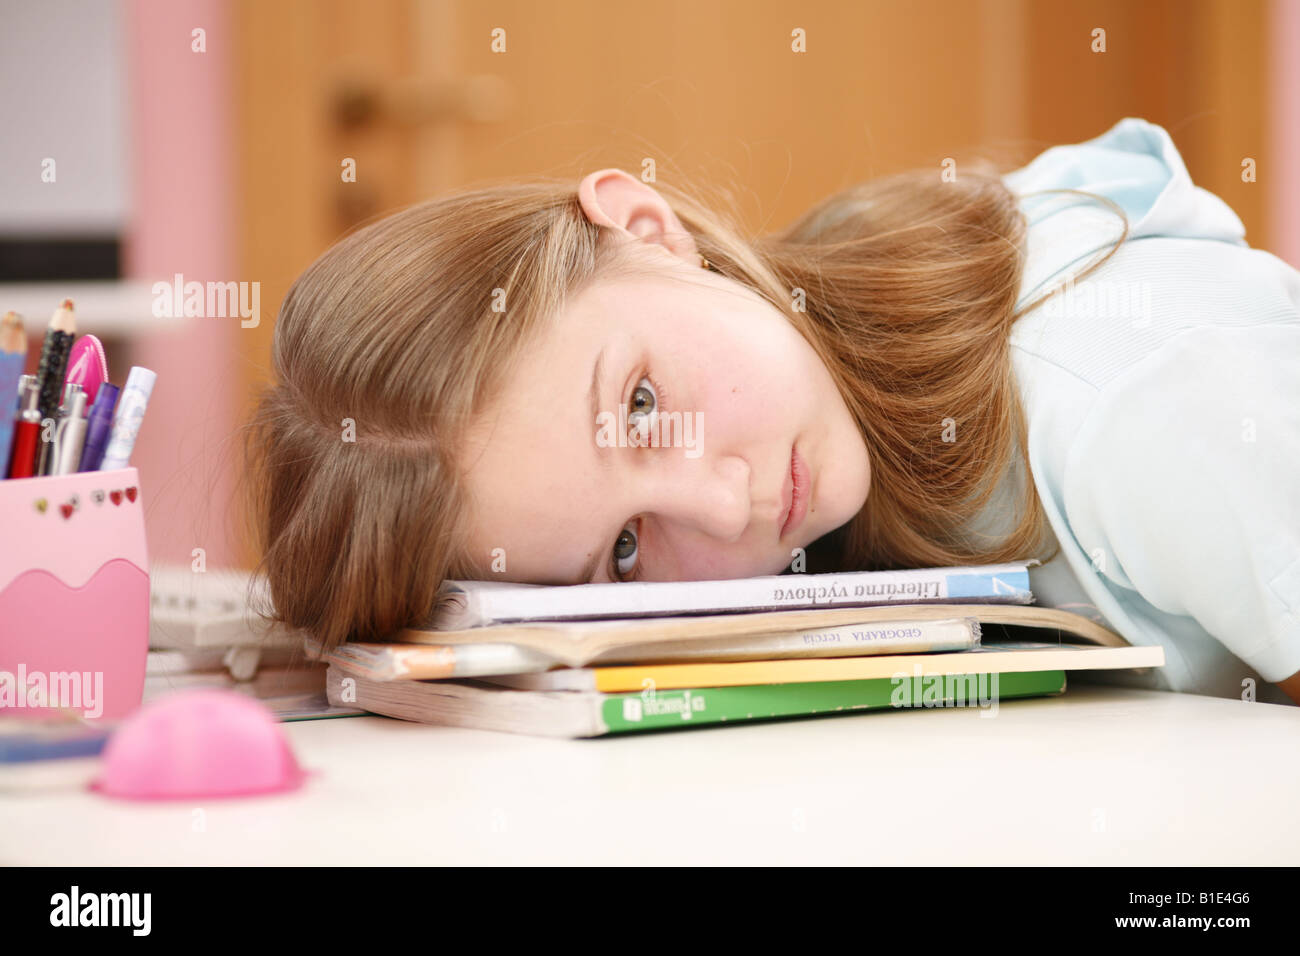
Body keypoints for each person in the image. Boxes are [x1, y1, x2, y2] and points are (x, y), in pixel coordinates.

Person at [247, 118, 1300, 704]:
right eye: (620, 553)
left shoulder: (1130, 405)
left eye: (643, 404)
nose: (722, 504)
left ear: (648, 228)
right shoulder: (839, 323)